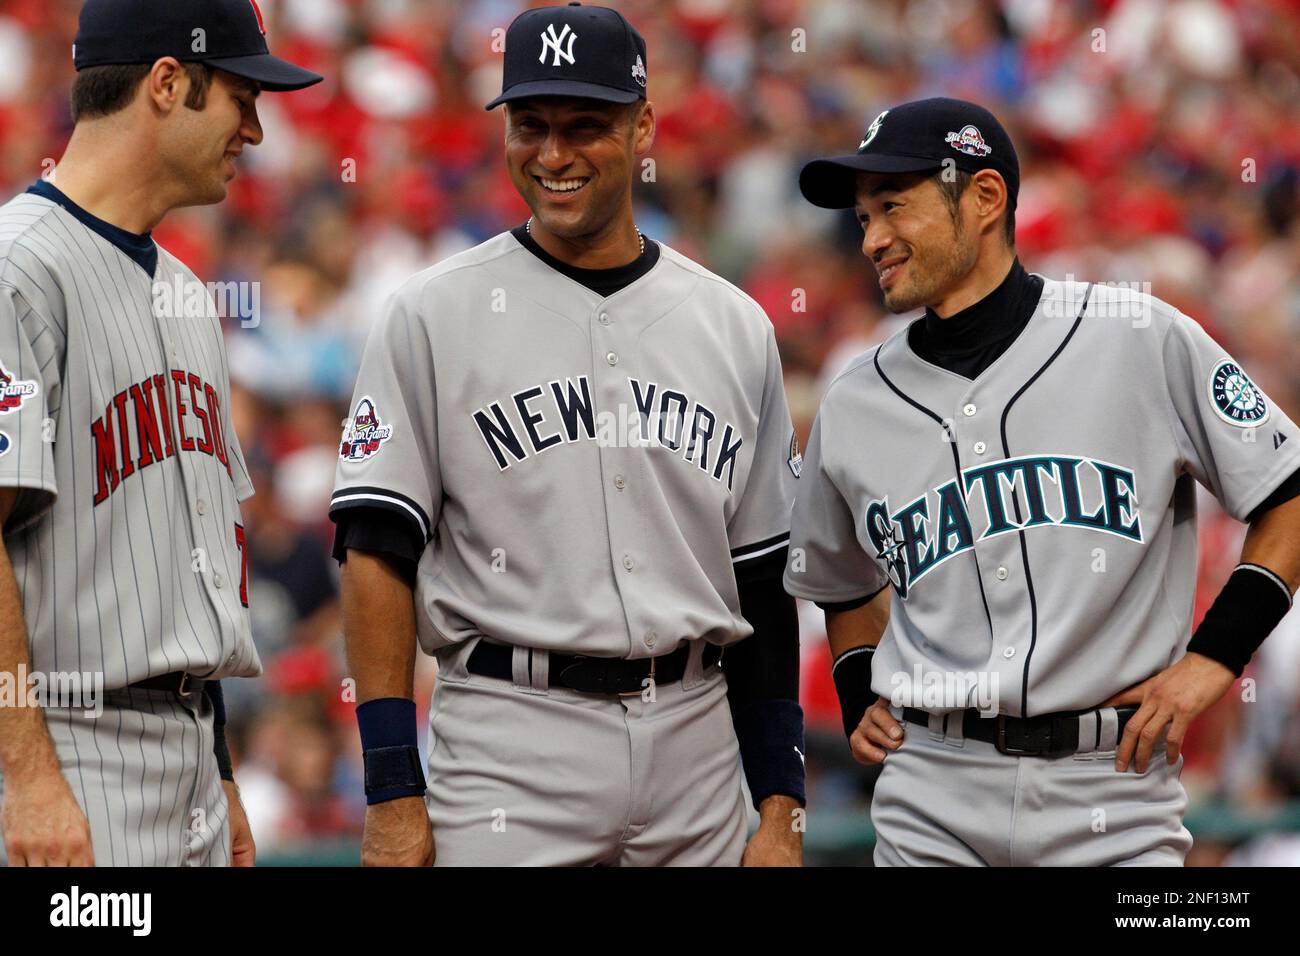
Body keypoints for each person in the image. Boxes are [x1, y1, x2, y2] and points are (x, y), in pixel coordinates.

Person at [331, 2, 805, 867]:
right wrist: (392, 788)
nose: (552, 155)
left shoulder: (732, 324)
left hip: (696, 747)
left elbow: (763, 580)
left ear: (643, 127)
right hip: (510, 741)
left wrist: (780, 805)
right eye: (530, 125)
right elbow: (375, 554)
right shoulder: (431, 314)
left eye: (584, 126)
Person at [784, 96, 1300, 866]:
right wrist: (859, 683)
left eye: (892, 206)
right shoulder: (855, 399)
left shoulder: (1138, 337)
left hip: (1112, 790)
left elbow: (1287, 491)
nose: (872, 239)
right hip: (932, 792)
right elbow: (838, 579)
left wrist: (1213, 660)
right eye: (863, 218)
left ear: (985, 197)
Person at [0, 0, 321, 867]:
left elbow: (196, 568)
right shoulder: (17, 269)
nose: (256, 129)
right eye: (242, 97)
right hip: (70, 747)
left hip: (189, 753)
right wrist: (27, 776)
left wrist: (219, 771)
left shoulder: (188, 293)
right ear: (168, 83)